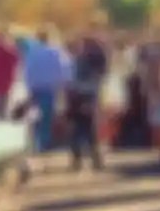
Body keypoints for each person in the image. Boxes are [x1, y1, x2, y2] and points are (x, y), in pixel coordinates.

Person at [22, 28, 71, 161]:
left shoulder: (32, 52)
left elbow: (27, 70)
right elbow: (64, 69)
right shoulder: (56, 52)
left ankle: (34, 142)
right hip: (50, 88)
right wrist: (63, 84)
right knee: (47, 116)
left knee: (34, 116)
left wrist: (28, 85)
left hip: (35, 87)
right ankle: (43, 142)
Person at [66, 35, 108, 171]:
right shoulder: (90, 61)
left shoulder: (78, 60)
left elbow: (69, 80)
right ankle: (94, 160)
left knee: (79, 128)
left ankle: (78, 161)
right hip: (86, 95)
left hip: (78, 95)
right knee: (89, 128)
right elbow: (98, 78)